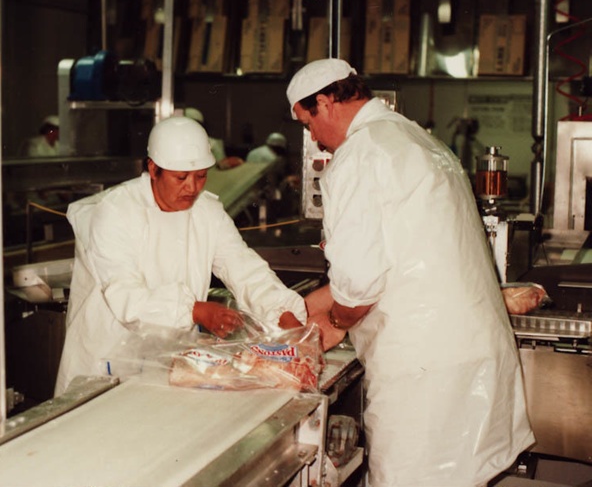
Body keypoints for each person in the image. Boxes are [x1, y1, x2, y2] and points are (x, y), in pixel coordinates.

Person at [286, 59, 534, 487]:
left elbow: (359, 288)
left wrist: (335, 324)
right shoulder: (418, 139)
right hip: (467, 355)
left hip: (424, 369)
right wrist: (303, 306)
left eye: (307, 122)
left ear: (325, 103)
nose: (313, 138)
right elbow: (394, 256)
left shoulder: (359, 155)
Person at [54, 115, 306, 395]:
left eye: (201, 176)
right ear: (153, 169)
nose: (193, 187)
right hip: (106, 364)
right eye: (181, 177)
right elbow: (124, 296)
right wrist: (194, 310)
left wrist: (285, 315)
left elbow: (242, 266)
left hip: (169, 362)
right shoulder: (116, 212)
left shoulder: (206, 211)